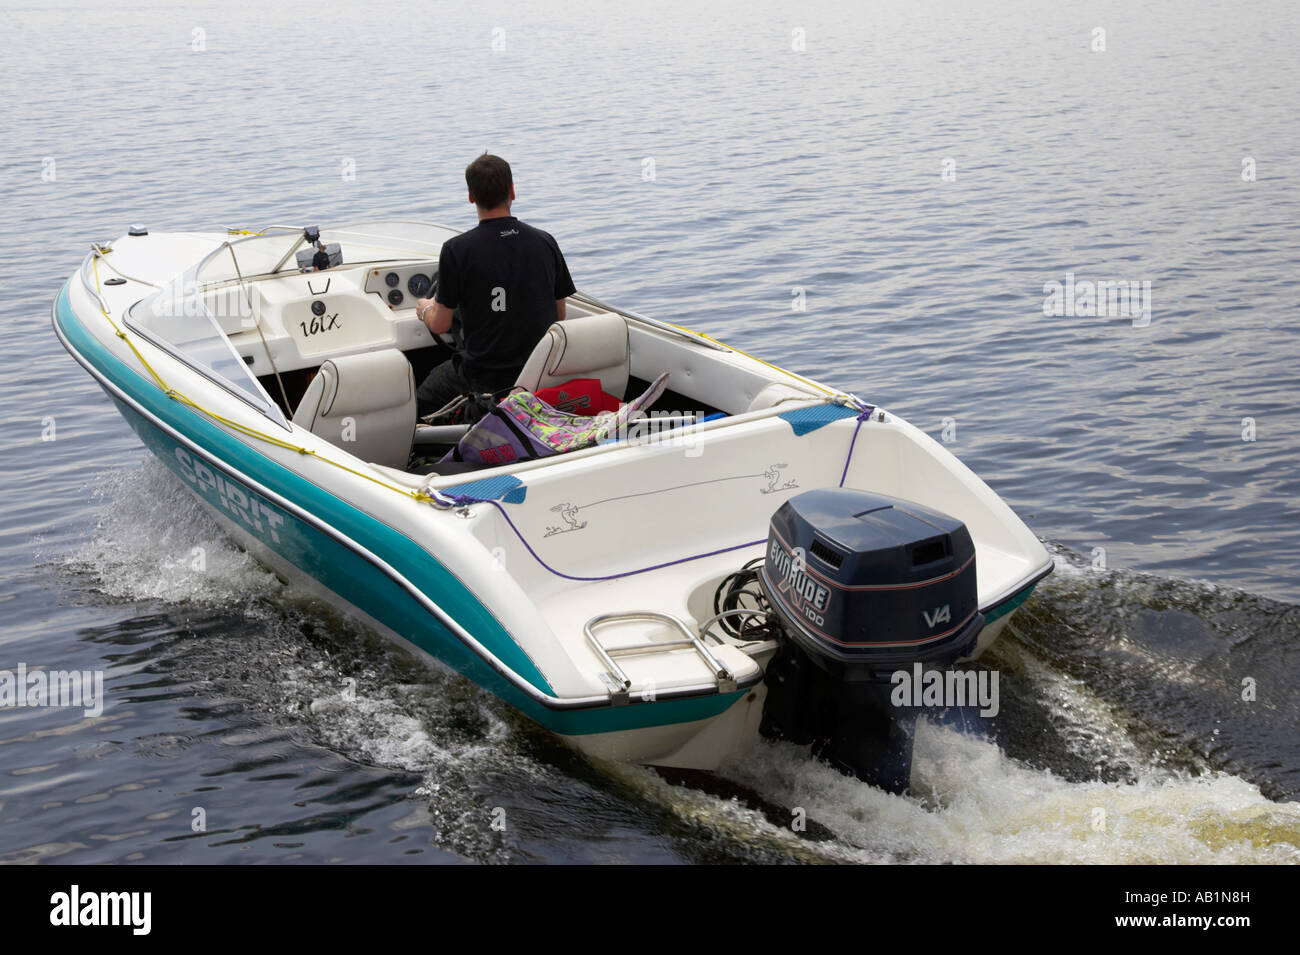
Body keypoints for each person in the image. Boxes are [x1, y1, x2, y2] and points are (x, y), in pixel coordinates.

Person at [415, 154, 576, 418]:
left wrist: (424, 309)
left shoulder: (456, 250)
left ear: (471, 196)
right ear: (512, 191)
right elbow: (559, 315)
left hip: (483, 378)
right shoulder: (545, 242)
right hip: (537, 372)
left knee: (420, 398)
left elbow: (441, 325)